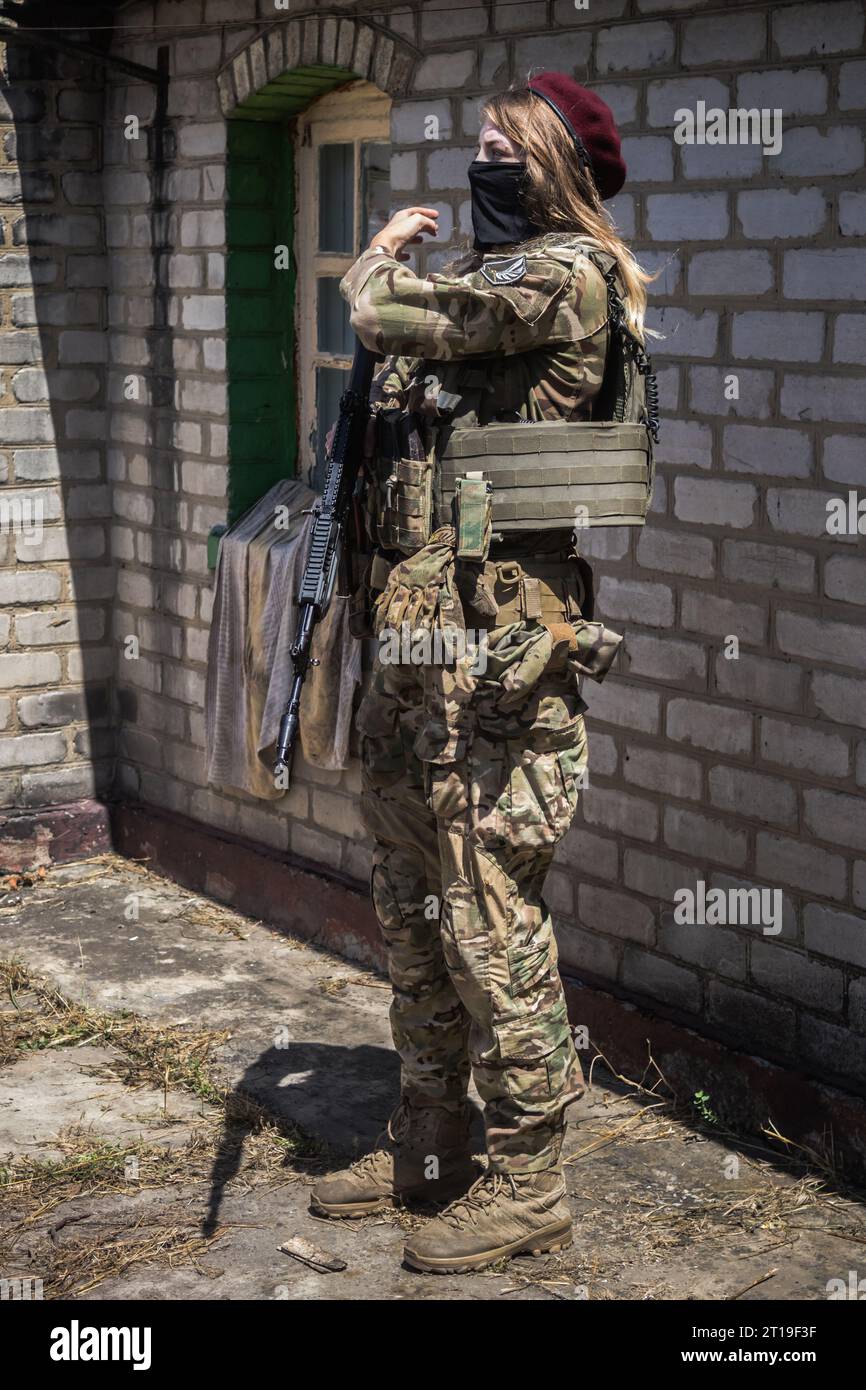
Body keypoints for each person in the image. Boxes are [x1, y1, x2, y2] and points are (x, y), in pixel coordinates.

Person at [310, 72, 655, 1274]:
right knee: (407, 889)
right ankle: (427, 1136)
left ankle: (529, 1182)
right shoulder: (488, 277)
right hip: (415, 633)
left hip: (496, 653)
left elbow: (387, 317)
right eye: (478, 141)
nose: (476, 160)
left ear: (551, 159)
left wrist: (375, 257)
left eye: (498, 143)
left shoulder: (564, 274)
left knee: (487, 904)